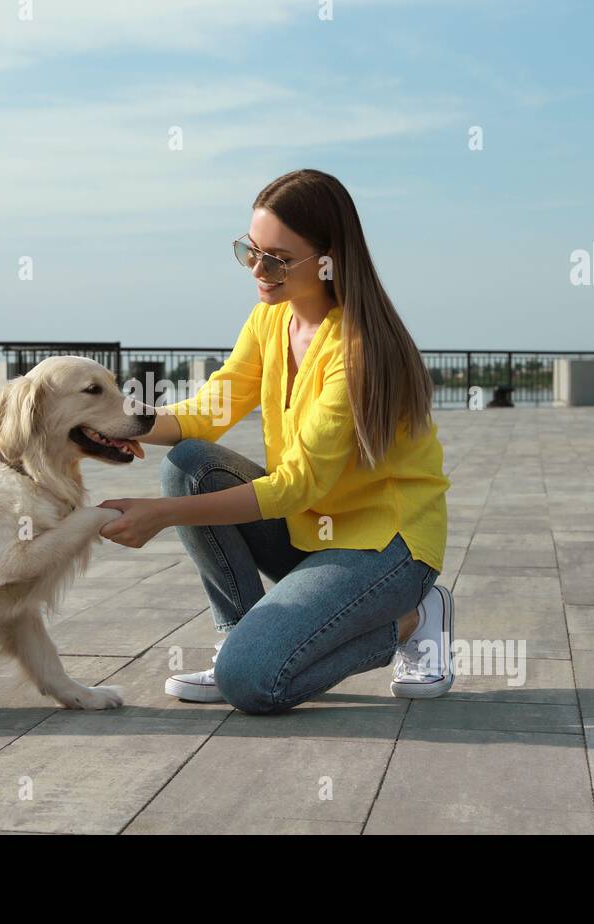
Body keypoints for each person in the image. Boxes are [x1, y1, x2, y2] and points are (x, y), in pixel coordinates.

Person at [98, 168, 452, 713]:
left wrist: (164, 514)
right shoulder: (271, 321)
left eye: (279, 259)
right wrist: (126, 421)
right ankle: (239, 637)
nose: (259, 271)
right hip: (306, 532)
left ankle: (412, 618)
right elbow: (211, 409)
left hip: (383, 547)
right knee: (189, 463)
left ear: (330, 259)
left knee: (252, 683)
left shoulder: (358, 350)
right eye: (251, 251)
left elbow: (295, 485)